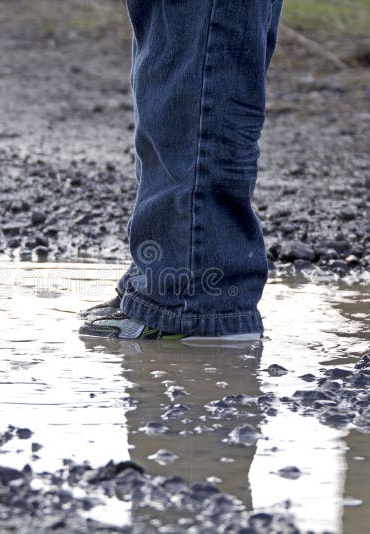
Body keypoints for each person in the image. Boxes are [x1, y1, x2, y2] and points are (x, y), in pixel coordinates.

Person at [79, 1, 283, 341]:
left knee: (202, 34)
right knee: (173, 45)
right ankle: (166, 281)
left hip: (193, 300)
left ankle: (193, 299)